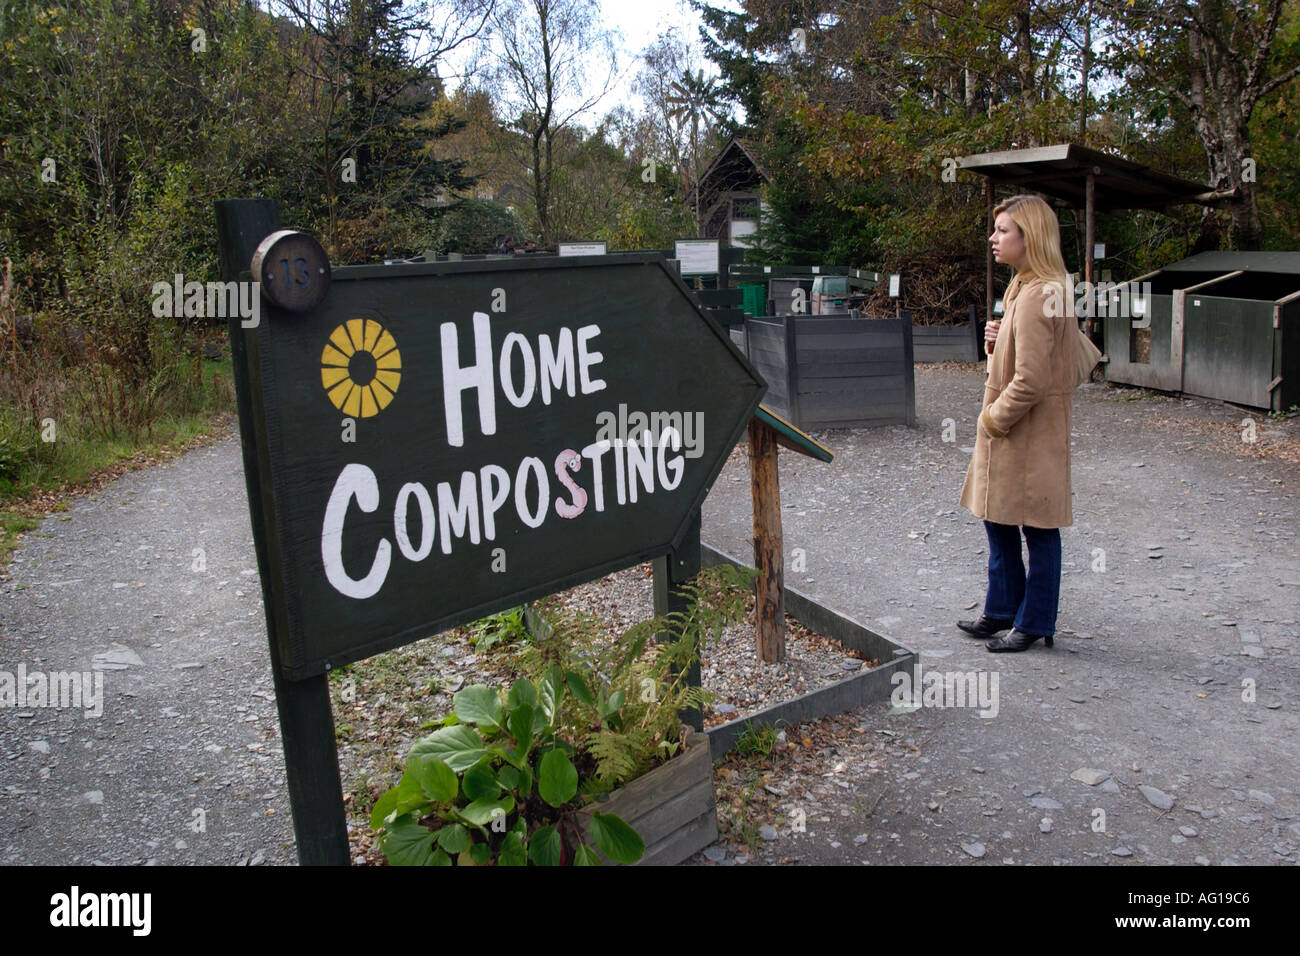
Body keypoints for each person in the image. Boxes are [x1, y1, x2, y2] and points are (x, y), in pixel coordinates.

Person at [957, 194, 1075, 652]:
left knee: (1038, 529)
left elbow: (1030, 380)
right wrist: (996, 340)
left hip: (1026, 432)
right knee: (998, 519)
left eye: (1004, 230)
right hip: (1017, 433)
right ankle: (1004, 609)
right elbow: (1027, 358)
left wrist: (992, 419)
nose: (994, 237)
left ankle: (1034, 621)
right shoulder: (1025, 287)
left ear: (1030, 238)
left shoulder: (1038, 294)